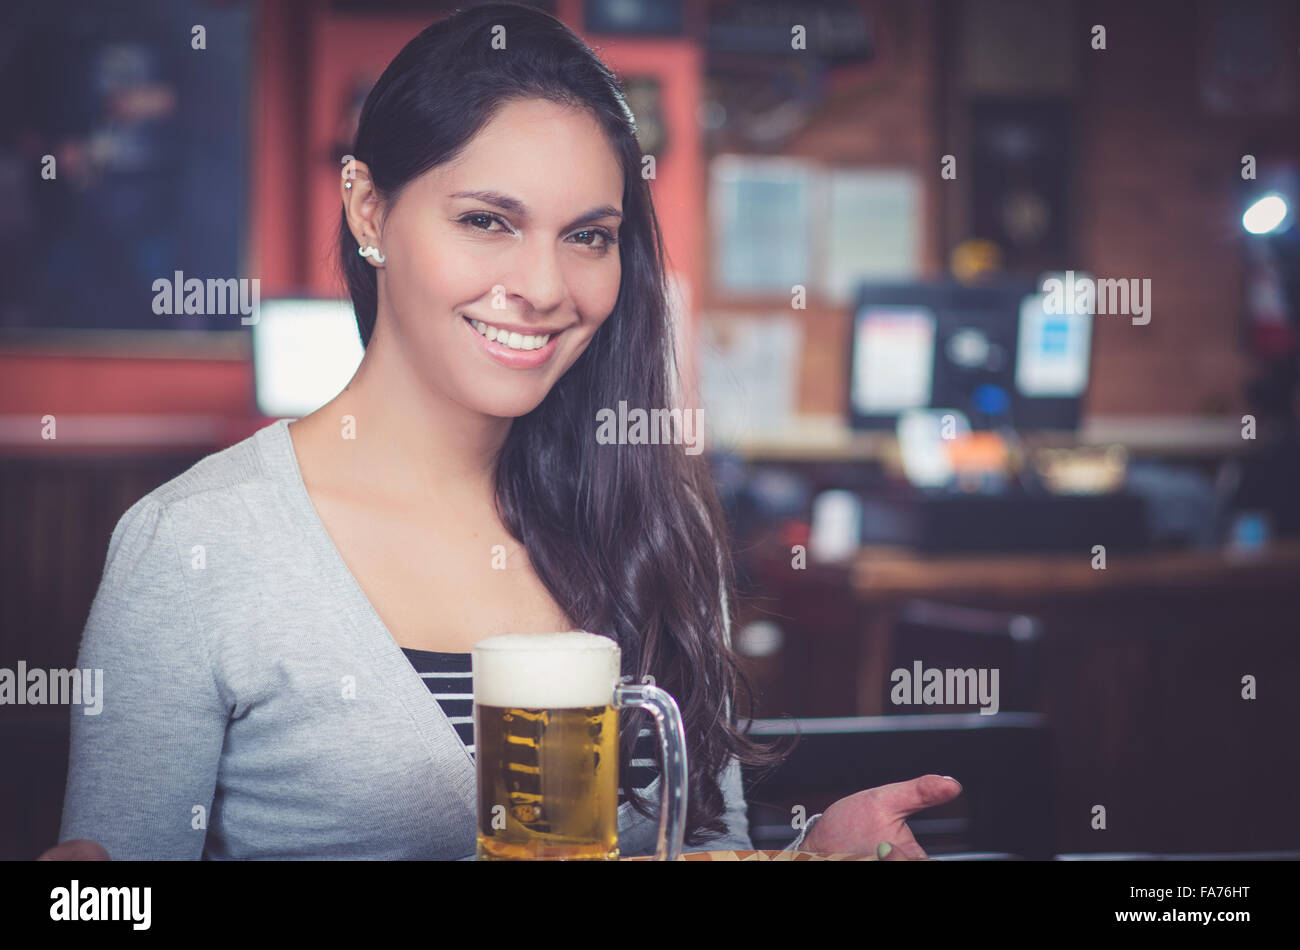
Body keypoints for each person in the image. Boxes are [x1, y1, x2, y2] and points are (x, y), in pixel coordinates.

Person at [43, 2, 959, 861]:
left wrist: (802, 858)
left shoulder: (652, 517)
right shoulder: (196, 544)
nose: (546, 286)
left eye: (588, 236)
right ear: (369, 209)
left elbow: (698, 853)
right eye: (487, 221)